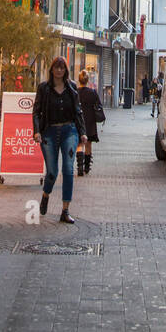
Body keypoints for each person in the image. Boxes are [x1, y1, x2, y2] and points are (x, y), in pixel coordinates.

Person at [32, 57, 87, 223]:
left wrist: (82, 132)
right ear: (51, 69)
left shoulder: (72, 88)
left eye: (62, 68)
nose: (59, 71)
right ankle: (46, 194)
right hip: (49, 132)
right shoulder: (44, 88)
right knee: (52, 171)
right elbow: (36, 112)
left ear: (65, 70)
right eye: (56, 67)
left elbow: (78, 111)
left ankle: (65, 210)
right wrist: (37, 132)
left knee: (68, 170)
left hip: (69, 131)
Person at [76, 69, 102, 176]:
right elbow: (99, 105)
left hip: (78, 120)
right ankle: (86, 167)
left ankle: (80, 167)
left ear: (79, 80)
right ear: (87, 80)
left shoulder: (75, 92)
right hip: (90, 120)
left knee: (79, 143)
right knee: (88, 144)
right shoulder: (92, 93)